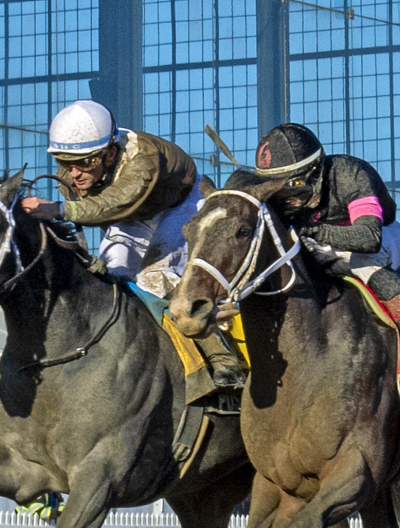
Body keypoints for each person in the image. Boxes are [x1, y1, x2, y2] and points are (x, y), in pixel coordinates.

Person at [21, 100, 242, 387]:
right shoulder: (74, 170)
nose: (74, 173)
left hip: (182, 207)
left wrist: (57, 209)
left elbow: (114, 203)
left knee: (153, 280)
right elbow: (98, 217)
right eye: (64, 162)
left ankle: (220, 355)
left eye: (86, 162)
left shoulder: (142, 158)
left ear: (111, 153)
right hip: (133, 217)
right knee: (110, 280)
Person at [252, 123, 400, 386]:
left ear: (315, 172)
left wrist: (314, 231)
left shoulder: (350, 173)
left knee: (365, 264)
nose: (286, 198)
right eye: (276, 188)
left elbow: (369, 238)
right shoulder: (289, 195)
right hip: (322, 241)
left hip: (381, 234)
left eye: (293, 185)